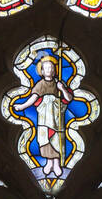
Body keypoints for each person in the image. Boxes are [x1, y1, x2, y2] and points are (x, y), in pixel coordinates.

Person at [27, 52, 72, 180]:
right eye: (47, 68)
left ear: (55, 70)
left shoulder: (59, 83)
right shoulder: (40, 85)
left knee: (57, 140)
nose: (50, 70)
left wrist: (62, 89)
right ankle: (49, 163)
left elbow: (68, 98)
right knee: (44, 140)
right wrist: (22, 106)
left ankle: (56, 164)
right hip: (44, 119)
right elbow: (33, 98)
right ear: (41, 70)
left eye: (52, 68)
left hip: (57, 119)